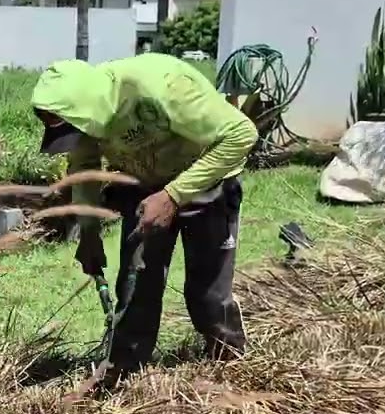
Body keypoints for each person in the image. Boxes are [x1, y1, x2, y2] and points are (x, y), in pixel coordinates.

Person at [30, 53, 258, 385]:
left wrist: (172, 196)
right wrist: (89, 234)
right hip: (146, 185)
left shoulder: (161, 85)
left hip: (207, 183)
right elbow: (85, 170)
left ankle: (232, 368)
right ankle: (124, 374)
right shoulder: (86, 115)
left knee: (208, 296)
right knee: (135, 290)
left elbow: (241, 134)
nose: (81, 141)